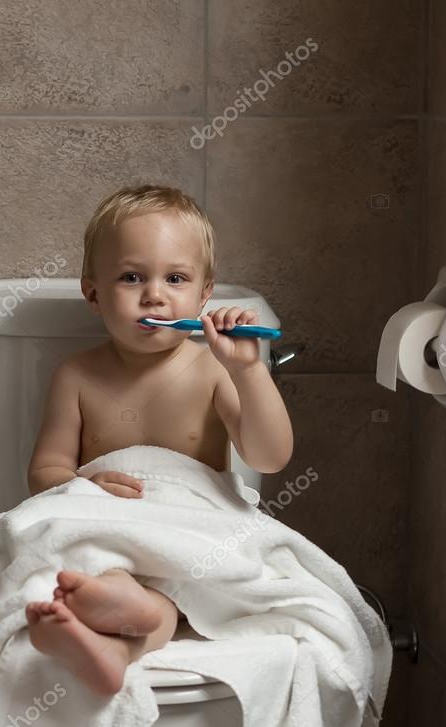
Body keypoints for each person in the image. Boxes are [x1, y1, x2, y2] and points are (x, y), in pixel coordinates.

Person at [24, 184, 294, 695]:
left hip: (191, 535)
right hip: (110, 526)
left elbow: (271, 456)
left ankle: (124, 630)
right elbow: (45, 471)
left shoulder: (215, 369)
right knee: (117, 578)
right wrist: (84, 484)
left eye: (175, 278)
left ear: (203, 294)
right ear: (93, 293)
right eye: (132, 277)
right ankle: (118, 632)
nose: (155, 294)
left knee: (176, 593)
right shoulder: (77, 376)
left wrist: (249, 373)